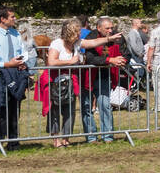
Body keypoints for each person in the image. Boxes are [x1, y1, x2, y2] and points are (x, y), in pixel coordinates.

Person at [0, 6, 31, 148]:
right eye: (12, 17)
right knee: (2, 110)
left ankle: (13, 142)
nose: (15, 19)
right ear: (3, 19)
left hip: (16, 76)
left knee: (15, 109)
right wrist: (6, 64)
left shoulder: (15, 34)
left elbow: (21, 52)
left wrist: (21, 62)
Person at [81, 17, 128, 143]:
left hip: (105, 76)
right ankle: (91, 138)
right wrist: (110, 60)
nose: (110, 30)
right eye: (107, 28)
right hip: (89, 77)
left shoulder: (118, 37)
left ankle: (108, 136)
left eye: (111, 28)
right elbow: (90, 59)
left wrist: (122, 60)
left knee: (105, 106)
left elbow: (126, 53)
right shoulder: (91, 37)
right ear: (99, 28)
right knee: (87, 107)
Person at [47, 18, 83, 147]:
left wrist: (108, 38)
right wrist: (70, 62)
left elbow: (93, 42)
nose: (80, 34)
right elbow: (51, 62)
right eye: (78, 31)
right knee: (55, 110)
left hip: (70, 82)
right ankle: (56, 140)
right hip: (56, 82)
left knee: (70, 111)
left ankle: (66, 138)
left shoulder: (76, 44)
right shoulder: (57, 43)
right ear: (71, 31)